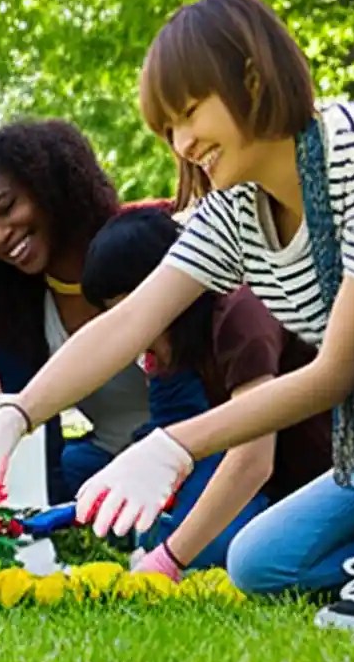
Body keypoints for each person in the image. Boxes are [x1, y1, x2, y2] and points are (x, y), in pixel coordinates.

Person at [0, 0, 354, 631]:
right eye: (168, 127)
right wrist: (13, 418)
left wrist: (174, 445)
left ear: (251, 76)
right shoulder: (237, 211)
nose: (183, 141)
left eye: (190, 111)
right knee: (259, 561)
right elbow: (130, 319)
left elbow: (337, 371)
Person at [80, 205, 331, 573]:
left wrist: (168, 559)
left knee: (235, 555)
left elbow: (252, 460)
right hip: (281, 486)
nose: (138, 341)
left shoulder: (242, 314)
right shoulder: (177, 350)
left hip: (323, 478)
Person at [0, 119, 154, 504]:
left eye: (6, 207)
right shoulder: (18, 314)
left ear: (50, 188)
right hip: (108, 469)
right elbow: (39, 447)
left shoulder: (139, 248)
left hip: (193, 452)